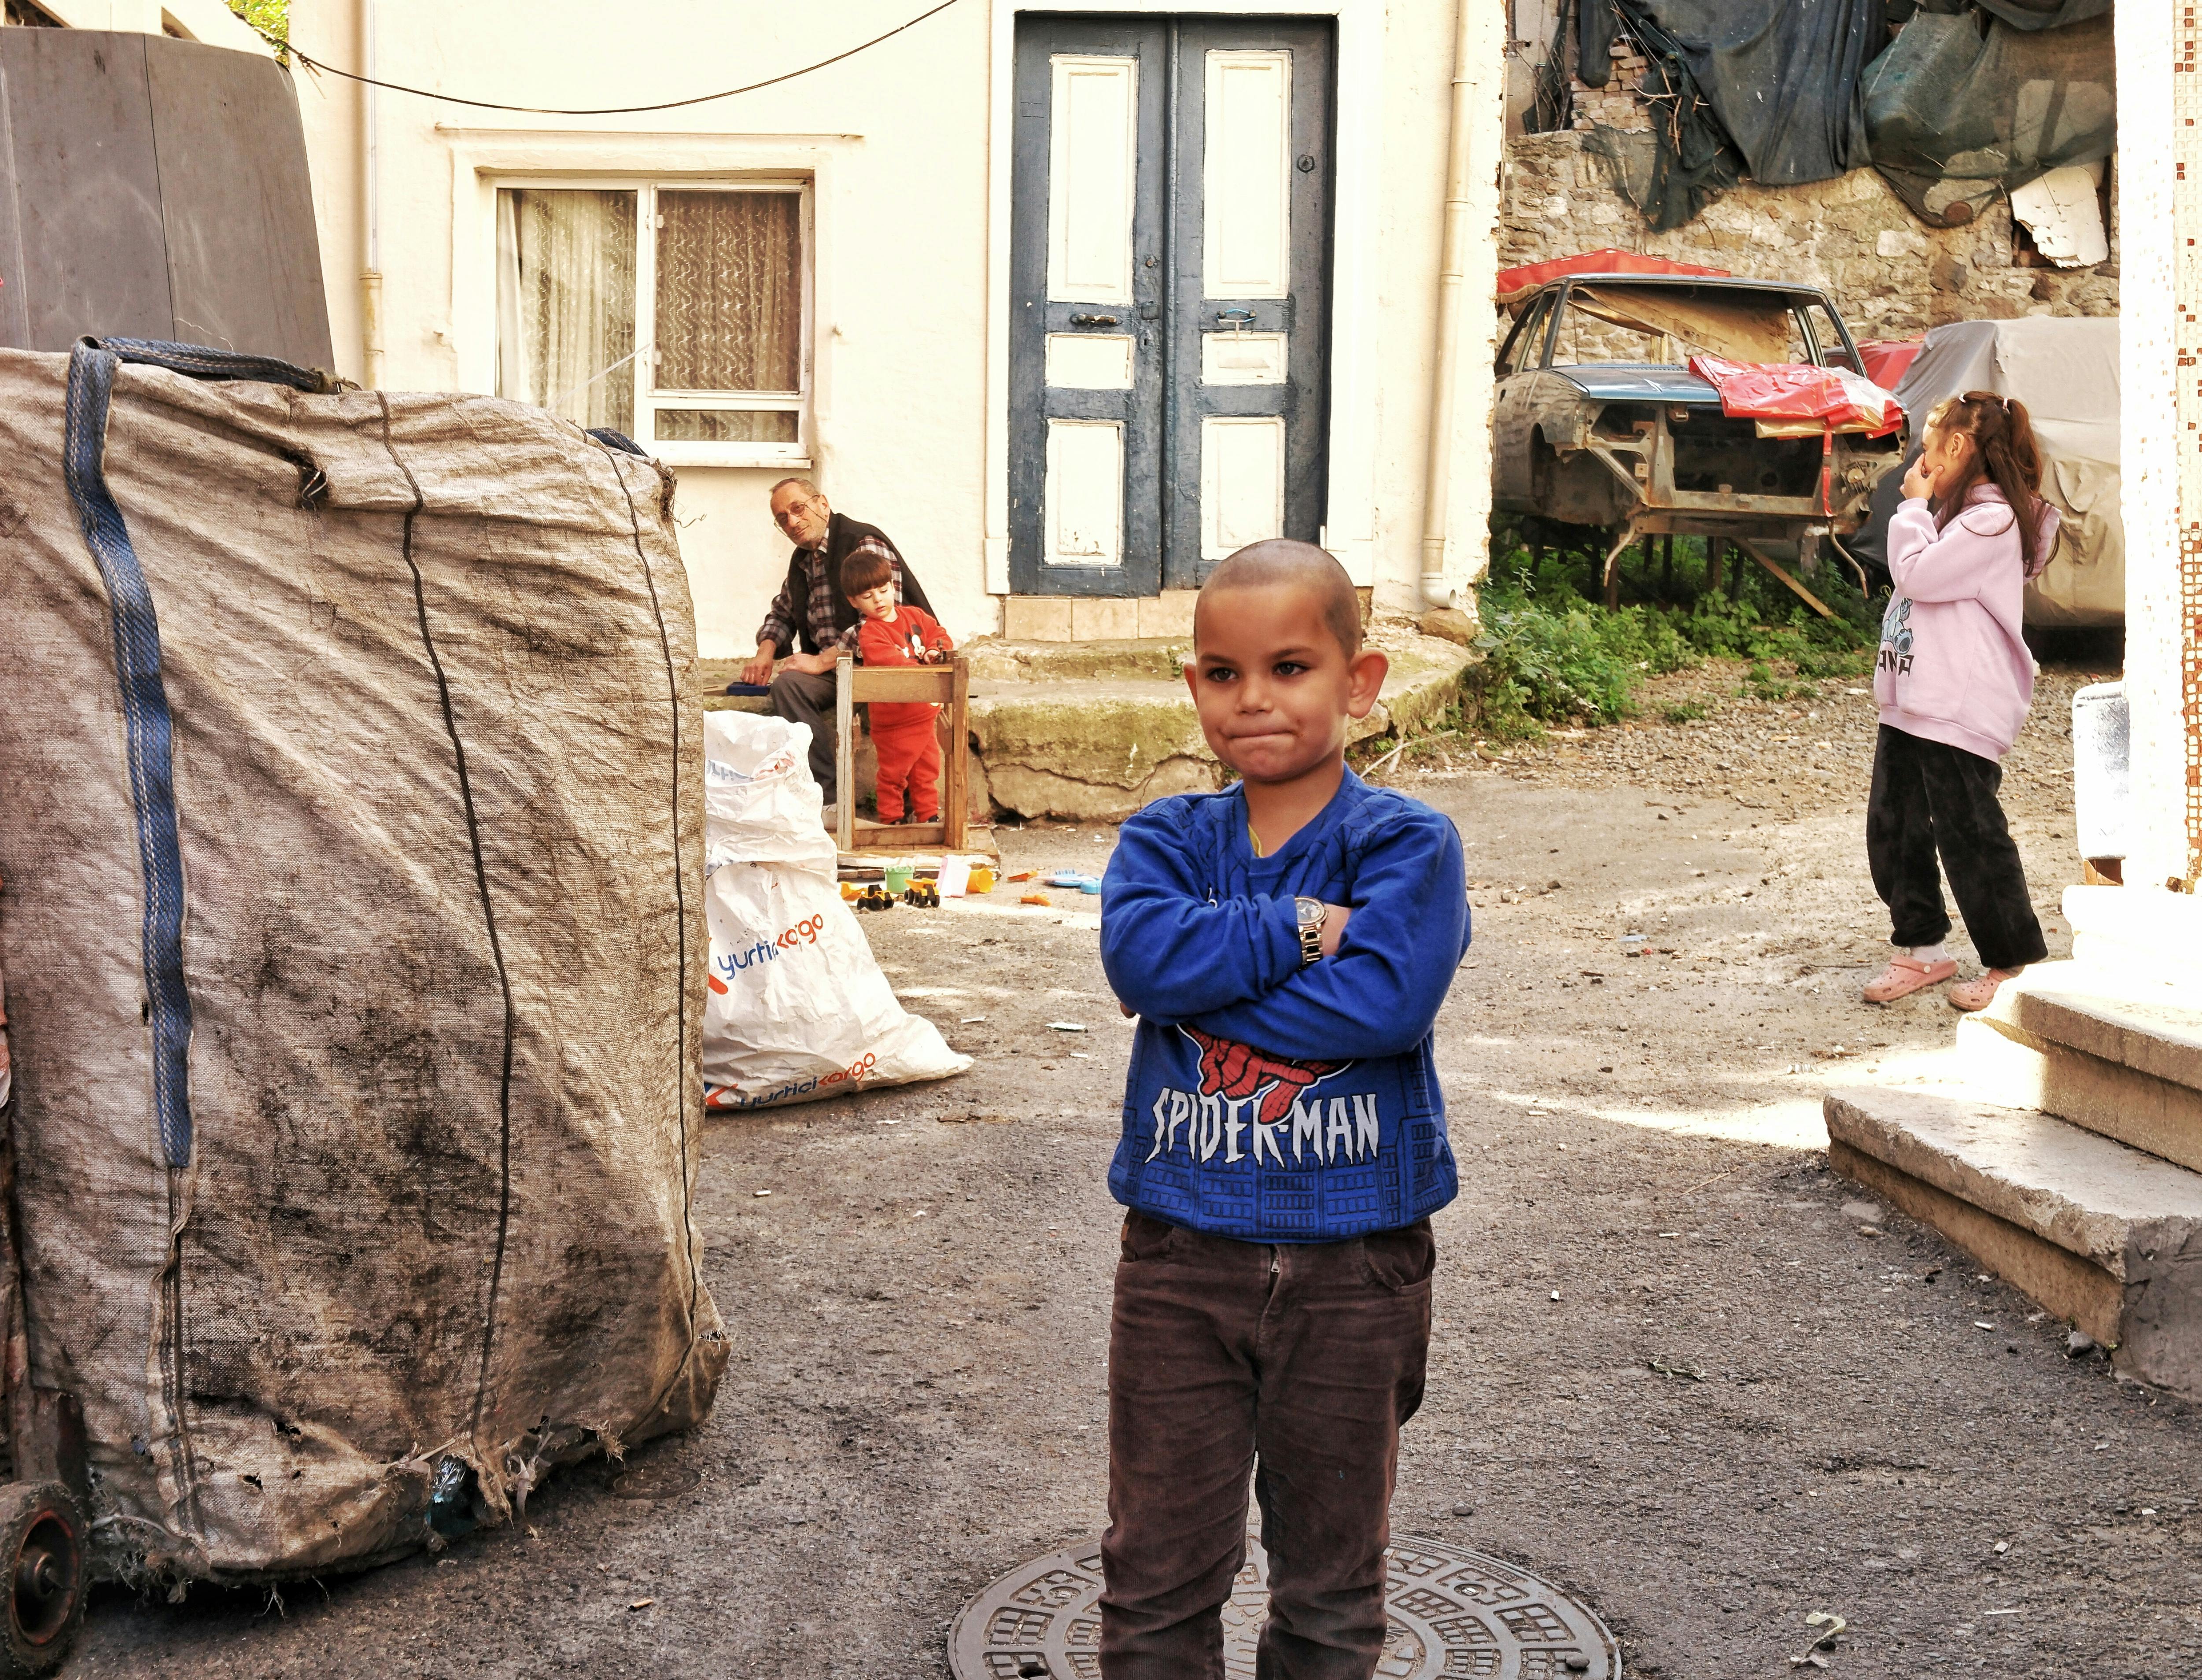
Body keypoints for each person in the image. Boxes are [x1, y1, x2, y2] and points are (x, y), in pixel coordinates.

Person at [1094, 539, 1469, 1679]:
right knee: (1154, 1576)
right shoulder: (1165, 838)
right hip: (1178, 1258)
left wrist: (1209, 979)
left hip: (1355, 1268)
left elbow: (1382, 1005)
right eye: (1220, 670)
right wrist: (1302, 928)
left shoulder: (1407, 842)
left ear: (1360, 681)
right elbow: (1138, 960)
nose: (1251, 697)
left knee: (1329, 1587)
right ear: (1196, 682)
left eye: (1291, 665)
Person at [1862, 390, 2060, 1012]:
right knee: (1893, 828)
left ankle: (2010, 961)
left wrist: (1914, 508)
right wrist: (1927, 508)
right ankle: (1921, 948)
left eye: (1929, 451)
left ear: (1957, 446)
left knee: (1970, 832)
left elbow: (1917, 575)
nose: (1919, 466)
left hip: (1959, 704)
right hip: (1915, 697)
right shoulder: (1958, 514)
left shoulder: (1993, 519)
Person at [740, 478, 936, 810]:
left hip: (885, 664)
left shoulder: (863, 544)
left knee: (903, 720)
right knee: (788, 685)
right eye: (782, 518)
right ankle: (827, 799)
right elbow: (784, 609)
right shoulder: (804, 559)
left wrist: (820, 661)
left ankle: (913, 807)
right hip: (838, 667)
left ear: (822, 504)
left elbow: (885, 620)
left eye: (798, 508)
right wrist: (765, 652)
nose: (792, 522)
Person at [847, 550, 954, 824]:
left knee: (927, 771)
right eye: (867, 596)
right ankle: (891, 820)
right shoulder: (871, 633)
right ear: (854, 601)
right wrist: (927, 679)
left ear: (893, 586)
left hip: (925, 712)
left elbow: (940, 636)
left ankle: (929, 816)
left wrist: (933, 650)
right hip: (895, 720)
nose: (878, 600)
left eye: (883, 590)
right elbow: (892, 663)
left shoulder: (915, 615)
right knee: (894, 774)